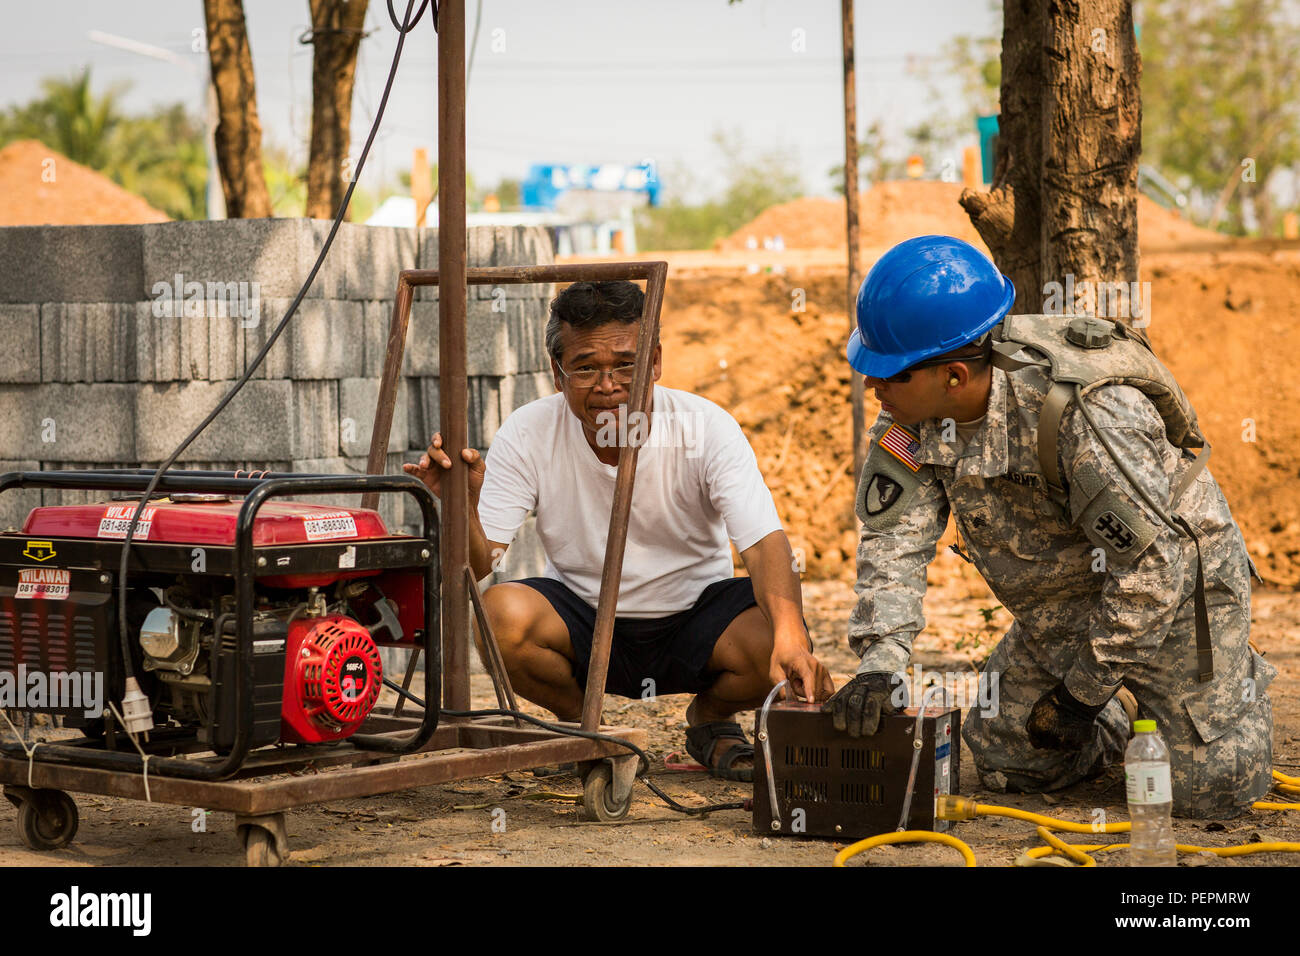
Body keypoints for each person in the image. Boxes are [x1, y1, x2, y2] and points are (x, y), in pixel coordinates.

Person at [823, 235, 1275, 818]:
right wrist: (881, 665)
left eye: (889, 375)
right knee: (1007, 760)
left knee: (1206, 795)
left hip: (1178, 599)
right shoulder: (910, 416)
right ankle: (1119, 716)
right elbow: (894, 542)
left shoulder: (1087, 416)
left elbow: (1153, 569)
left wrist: (1081, 695)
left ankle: (1228, 694)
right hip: (1068, 603)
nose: (873, 386)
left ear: (954, 375)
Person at [406, 280, 832, 780]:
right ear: (557, 374)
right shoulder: (528, 430)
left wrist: (791, 638)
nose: (607, 386)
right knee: (499, 616)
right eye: (586, 368)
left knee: (778, 632)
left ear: (656, 362)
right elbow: (480, 566)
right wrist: (463, 506)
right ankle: (586, 727)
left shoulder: (705, 426)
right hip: (584, 623)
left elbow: (761, 543)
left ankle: (711, 719)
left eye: (627, 365)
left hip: (697, 623)